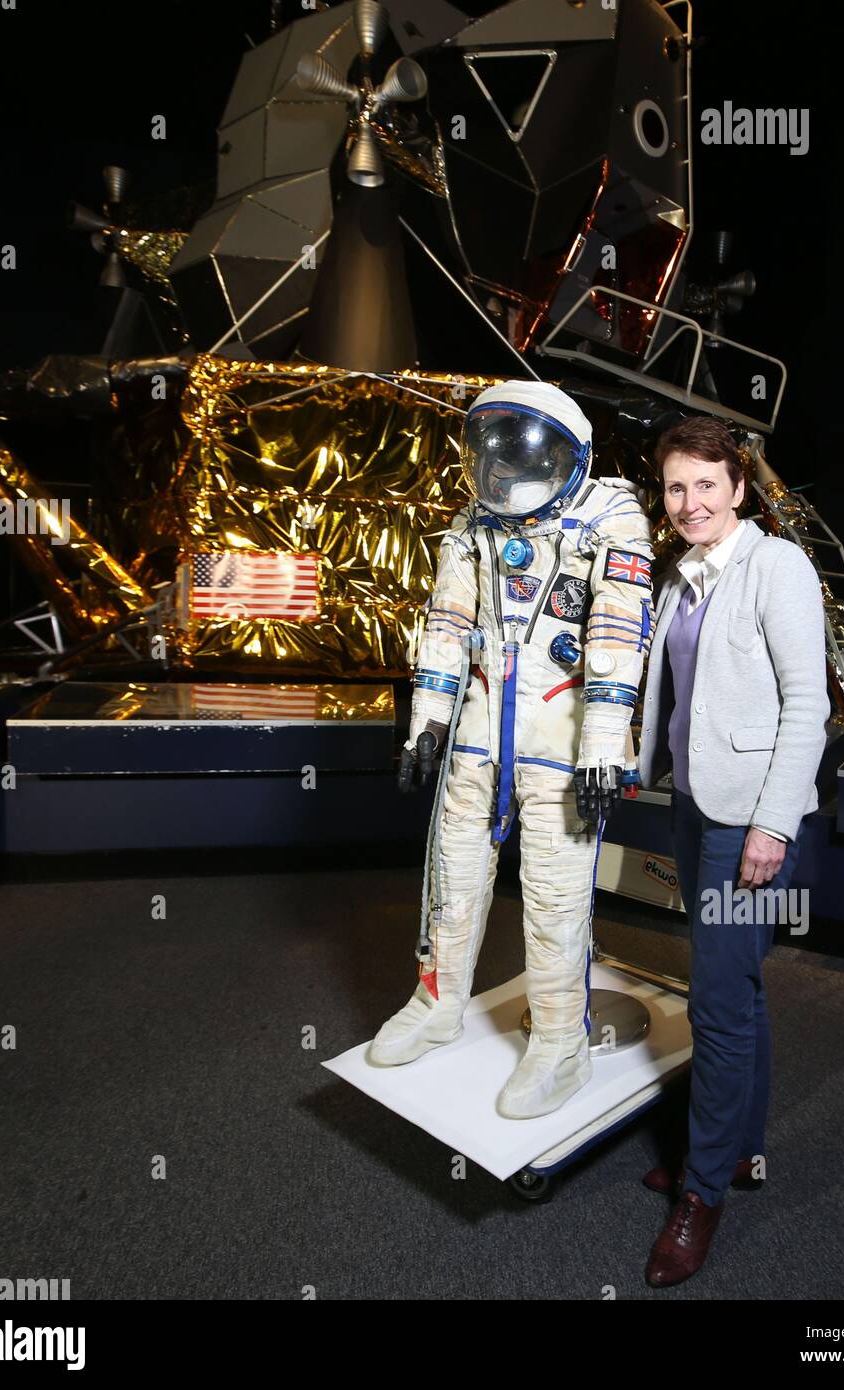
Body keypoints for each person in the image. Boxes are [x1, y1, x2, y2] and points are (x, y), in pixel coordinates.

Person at [368, 379, 656, 1119]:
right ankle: (437, 1004)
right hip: (478, 721)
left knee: (554, 896)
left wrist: (601, 748)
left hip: (559, 731)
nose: (505, 465)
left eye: (524, 449)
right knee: (452, 874)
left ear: (569, 455)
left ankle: (559, 1043)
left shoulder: (609, 514)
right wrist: (427, 721)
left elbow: (618, 632)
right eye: (493, 448)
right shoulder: (472, 522)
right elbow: (445, 620)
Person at [635, 414, 830, 1287]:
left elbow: (807, 707)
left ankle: (700, 1192)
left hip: (747, 819)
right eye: (676, 486)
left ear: (739, 489)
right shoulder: (679, 578)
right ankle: (742, 1152)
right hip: (691, 804)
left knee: (714, 1002)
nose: (689, 502)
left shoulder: (774, 566)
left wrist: (772, 824)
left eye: (706, 484)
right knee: (737, 992)